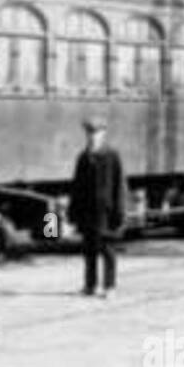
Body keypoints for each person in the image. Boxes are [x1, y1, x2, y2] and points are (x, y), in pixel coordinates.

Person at [68, 117, 126, 301]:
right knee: (89, 249)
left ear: (103, 134)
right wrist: (73, 211)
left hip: (106, 211)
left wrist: (119, 211)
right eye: (90, 133)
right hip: (88, 210)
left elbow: (119, 185)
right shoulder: (83, 158)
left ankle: (109, 286)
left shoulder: (112, 155)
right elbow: (76, 187)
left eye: (97, 133)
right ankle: (90, 285)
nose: (93, 137)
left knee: (107, 248)